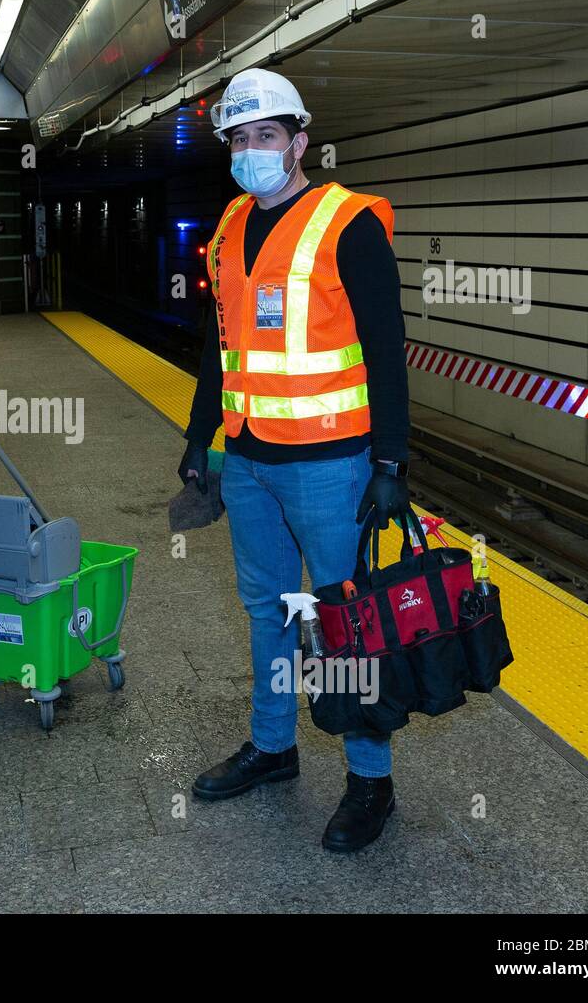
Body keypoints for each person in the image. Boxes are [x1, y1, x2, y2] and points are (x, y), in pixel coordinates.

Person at [180, 68, 411, 852]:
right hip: (248, 463)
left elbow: (387, 350)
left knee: (345, 622)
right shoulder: (227, 228)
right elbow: (222, 347)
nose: (252, 151)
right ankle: (274, 747)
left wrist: (392, 464)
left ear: (300, 139)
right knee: (270, 611)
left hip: (332, 464)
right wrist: (199, 440)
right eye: (239, 140)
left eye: (266, 136)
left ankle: (369, 780)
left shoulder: (349, 223)